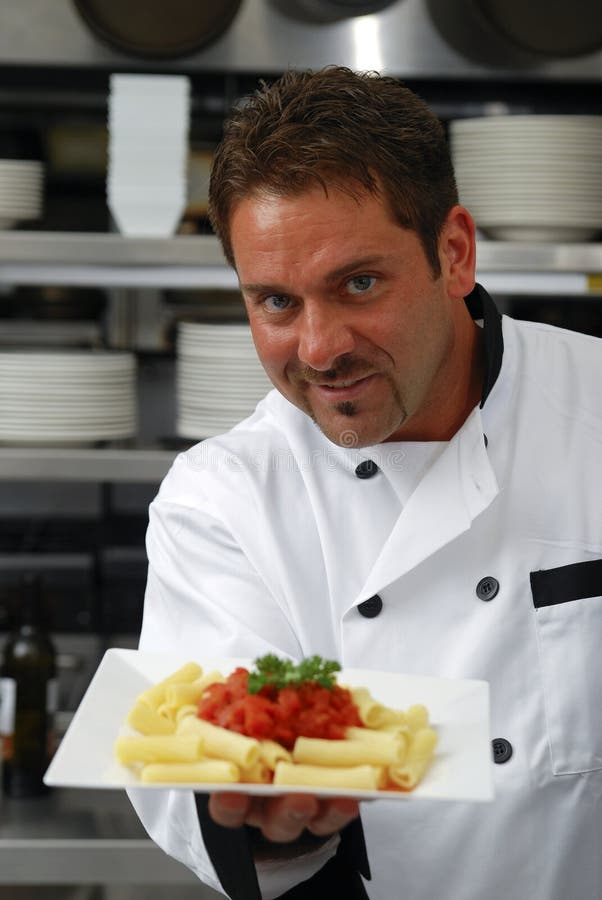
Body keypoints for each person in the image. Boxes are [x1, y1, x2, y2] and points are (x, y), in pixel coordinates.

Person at [128, 67, 602, 900]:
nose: (318, 348)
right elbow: (192, 773)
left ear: (452, 253)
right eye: (276, 301)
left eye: (358, 284)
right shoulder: (223, 499)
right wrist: (270, 826)